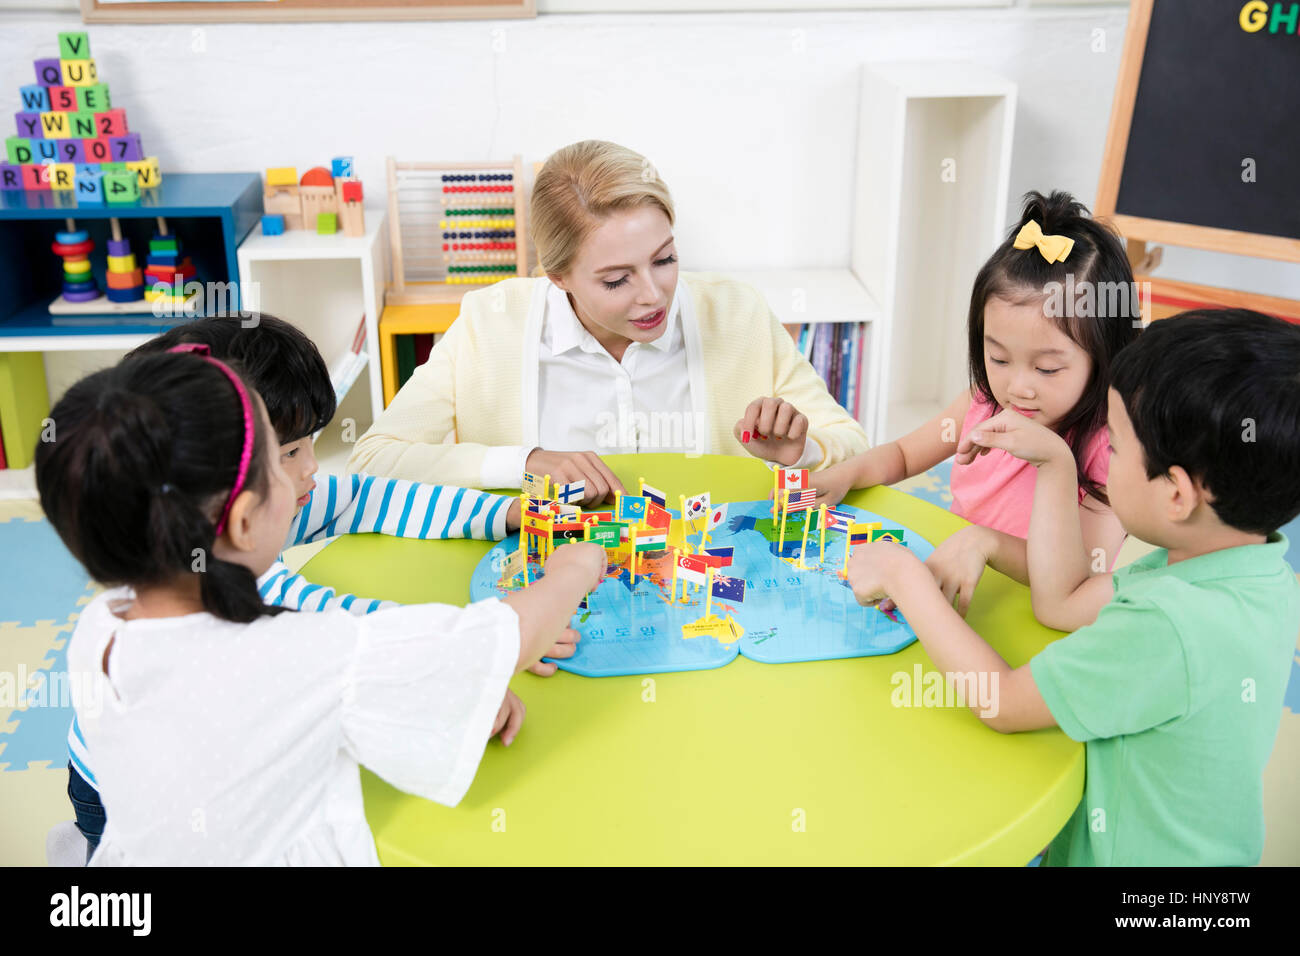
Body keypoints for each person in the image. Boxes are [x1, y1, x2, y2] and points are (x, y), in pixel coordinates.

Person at [41, 347, 604, 865]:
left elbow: (364, 503)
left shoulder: (103, 618)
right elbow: (477, 642)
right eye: (280, 457)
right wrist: (571, 572)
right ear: (241, 521)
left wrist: (503, 516)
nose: (310, 469)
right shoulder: (297, 651)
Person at [847, 309, 1300, 865]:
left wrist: (902, 576)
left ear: (1176, 495)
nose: (1102, 456)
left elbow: (1003, 703)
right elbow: (1062, 601)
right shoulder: (1246, 569)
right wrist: (1054, 466)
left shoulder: (1168, 627)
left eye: (1114, 448)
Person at [347, 139, 870, 504]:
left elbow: (851, 442)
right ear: (558, 277)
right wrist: (526, 462)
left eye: (664, 260)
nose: (653, 294)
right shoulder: (491, 324)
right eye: (617, 280)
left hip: (706, 586)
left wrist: (802, 452)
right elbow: (374, 459)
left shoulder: (737, 312)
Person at [813, 190, 1140, 616]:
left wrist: (985, 546)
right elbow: (903, 454)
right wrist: (846, 473)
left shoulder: (1108, 449)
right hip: (960, 582)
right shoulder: (983, 403)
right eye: (999, 358)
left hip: (1034, 611)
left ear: (1104, 358)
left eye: (1046, 369)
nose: (1018, 387)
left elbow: (1080, 577)